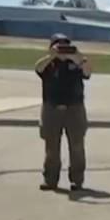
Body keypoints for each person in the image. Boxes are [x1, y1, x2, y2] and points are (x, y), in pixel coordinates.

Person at [34, 33, 92, 192]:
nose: (63, 49)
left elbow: (88, 72)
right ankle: (50, 180)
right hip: (51, 109)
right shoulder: (48, 64)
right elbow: (37, 68)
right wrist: (51, 56)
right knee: (51, 147)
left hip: (75, 109)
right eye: (59, 46)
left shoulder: (76, 63)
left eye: (66, 45)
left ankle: (77, 181)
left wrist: (78, 57)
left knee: (77, 146)